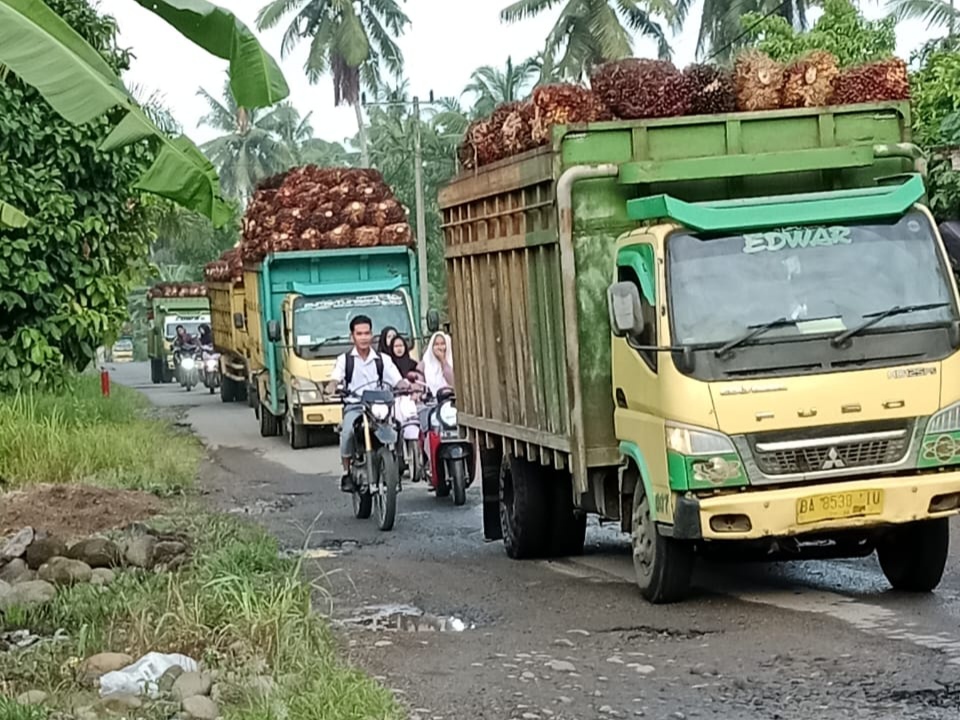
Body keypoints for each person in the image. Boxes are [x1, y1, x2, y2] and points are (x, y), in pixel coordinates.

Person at [328, 315, 407, 493]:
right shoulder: (345, 360)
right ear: (352, 337)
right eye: (359, 333)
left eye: (367, 333)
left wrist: (408, 386)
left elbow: (397, 380)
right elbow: (335, 378)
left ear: (372, 335)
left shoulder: (383, 360)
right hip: (355, 406)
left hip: (379, 407)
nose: (363, 337)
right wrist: (332, 386)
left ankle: (398, 463)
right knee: (347, 432)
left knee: (397, 427)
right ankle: (347, 472)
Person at [419, 331, 454, 395]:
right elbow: (419, 382)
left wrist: (443, 360)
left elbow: (452, 382)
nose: (439, 347)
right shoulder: (425, 362)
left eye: (442, 344)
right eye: (436, 344)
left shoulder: (452, 360)